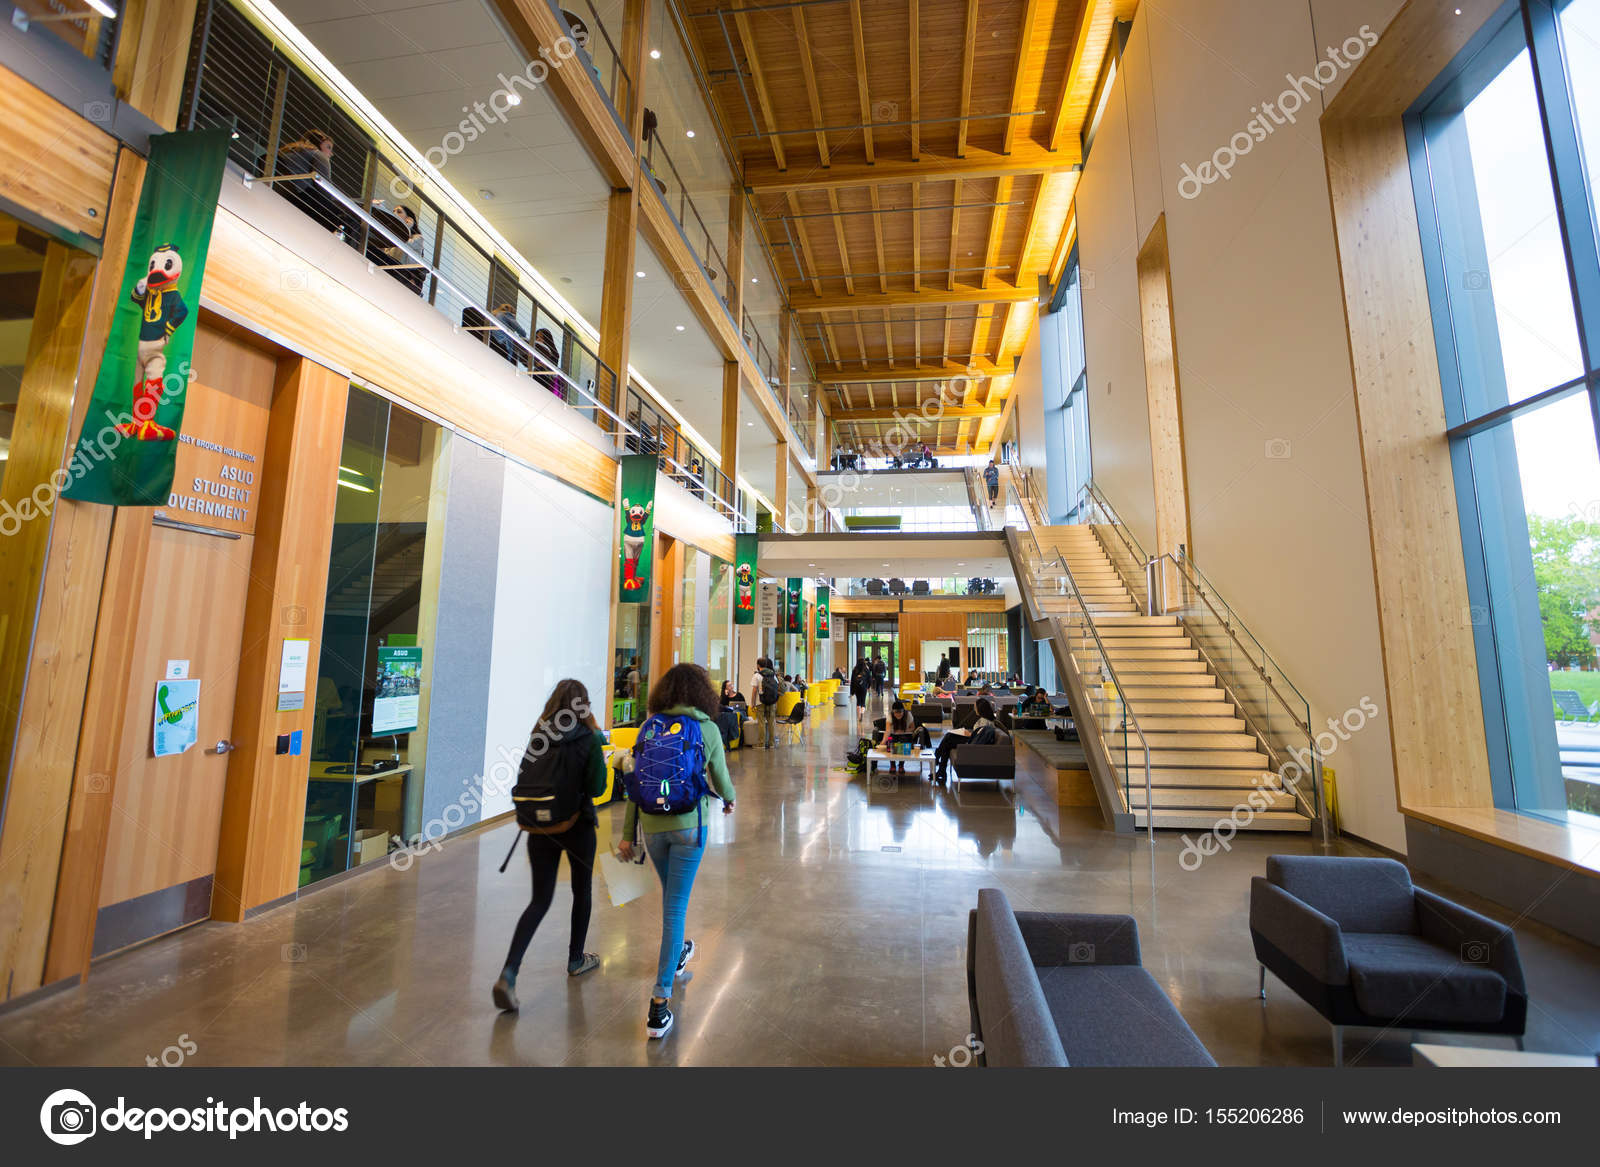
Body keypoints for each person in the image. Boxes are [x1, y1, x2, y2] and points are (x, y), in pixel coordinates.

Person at [617, 664, 735, 1040]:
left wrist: (625, 835)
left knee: (673, 901)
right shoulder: (708, 728)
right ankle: (659, 1002)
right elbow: (720, 775)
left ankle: (681, 948)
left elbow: (636, 784)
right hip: (690, 828)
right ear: (702, 693)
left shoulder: (648, 728)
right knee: (674, 908)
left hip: (652, 829)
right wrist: (730, 800)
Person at [492, 679, 607, 1012]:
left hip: (538, 828)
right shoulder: (588, 738)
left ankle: (509, 972)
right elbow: (597, 787)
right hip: (577, 825)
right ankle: (575, 959)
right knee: (581, 892)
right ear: (583, 706)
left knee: (539, 900)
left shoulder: (537, 737)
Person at [934, 697, 1006, 784]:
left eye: (975, 707)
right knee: (948, 740)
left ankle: (939, 761)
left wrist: (969, 734)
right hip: (973, 740)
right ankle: (941, 768)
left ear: (980, 709)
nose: (974, 708)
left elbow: (979, 737)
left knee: (949, 737)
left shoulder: (984, 721)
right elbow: (979, 733)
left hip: (973, 745)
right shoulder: (986, 719)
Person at [879, 699, 919, 774]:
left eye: (900, 712)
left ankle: (901, 765)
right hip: (893, 734)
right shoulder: (890, 716)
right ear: (893, 712)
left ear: (903, 711)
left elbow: (913, 728)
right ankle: (892, 764)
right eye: (896, 713)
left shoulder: (908, 715)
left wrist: (904, 731)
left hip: (905, 734)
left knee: (904, 743)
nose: (898, 714)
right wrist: (883, 741)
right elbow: (887, 731)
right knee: (890, 743)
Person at [750, 655, 779, 748]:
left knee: (761, 723)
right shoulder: (773, 675)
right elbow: (777, 688)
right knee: (771, 722)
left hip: (760, 702)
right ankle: (772, 743)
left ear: (758, 665)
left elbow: (754, 691)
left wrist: (752, 703)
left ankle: (761, 744)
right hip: (772, 702)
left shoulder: (757, 675)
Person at [532, 328, 563, 399]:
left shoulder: (553, 354)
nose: (538, 340)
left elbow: (547, 367)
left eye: (541, 338)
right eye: (537, 337)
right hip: (539, 378)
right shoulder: (537, 350)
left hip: (545, 381)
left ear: (546, 339)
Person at [849, 657, 870, 726]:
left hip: (856, 687)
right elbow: (869, 679)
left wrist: (852, 692)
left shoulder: (854, 669)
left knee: (858, 701)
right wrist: (868, 686)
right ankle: (862, 713)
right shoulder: (866, 669)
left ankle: (859, 716)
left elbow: (852, 681)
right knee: (863, 701)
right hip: (864, 687)